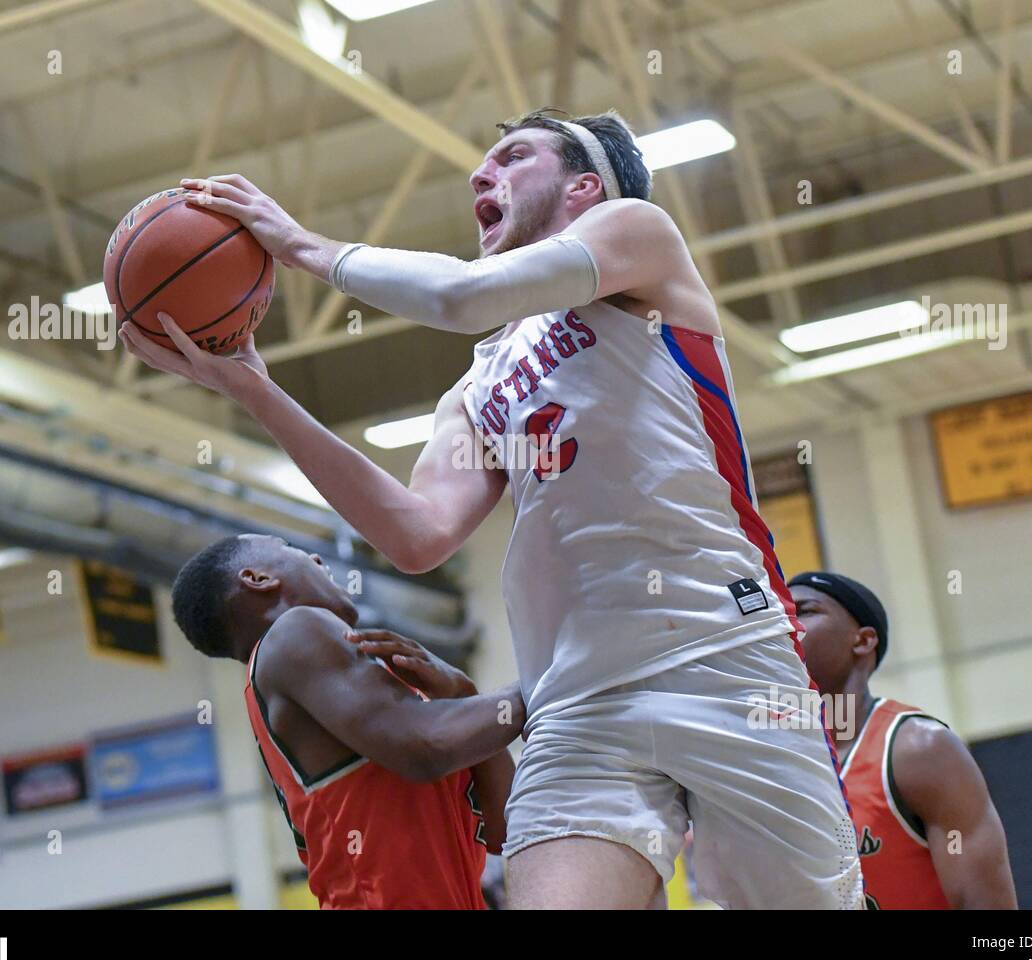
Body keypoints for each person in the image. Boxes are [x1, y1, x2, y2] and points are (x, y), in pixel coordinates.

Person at [123, 109, 862, 909]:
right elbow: (415, 536)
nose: (482, 176)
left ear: (586, 186)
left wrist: (305, 247)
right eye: (483, 166)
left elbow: (460, 295)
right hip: (575, 699)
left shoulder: (636, 236)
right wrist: (254, 391)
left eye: (513, 157)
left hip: (723, 655)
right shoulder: (477, 386)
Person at [170, 532, 521, 909]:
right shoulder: (292, 633)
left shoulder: (328, 683)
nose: (319, 561)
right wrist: (556, 679)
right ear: (258, 579)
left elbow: (507, 828)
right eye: (293, 550)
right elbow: (426, 748)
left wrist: (465, 695)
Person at [789, 570, 1017, 909]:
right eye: (778, 613)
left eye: (803, 611)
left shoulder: (919, 749)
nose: (785, 625)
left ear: (863, 640)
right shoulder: (774, 760)